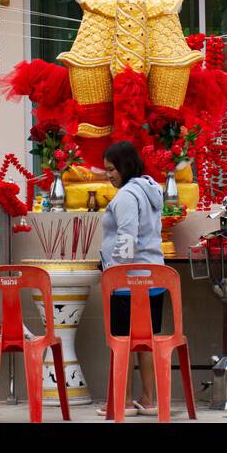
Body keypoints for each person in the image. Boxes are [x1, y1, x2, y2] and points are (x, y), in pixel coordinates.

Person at [96, 139, 165, 417]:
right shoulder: (152, 190)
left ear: (125, 166)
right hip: (154, 279)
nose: (108, 175)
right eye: (106, 170)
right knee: (145, 340)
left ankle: (122, 401)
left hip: (128, 282)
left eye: (112, 169)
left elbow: (126, 239)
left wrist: (113, 272)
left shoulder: (125, 196)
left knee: (121, 341)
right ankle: (148, 400)